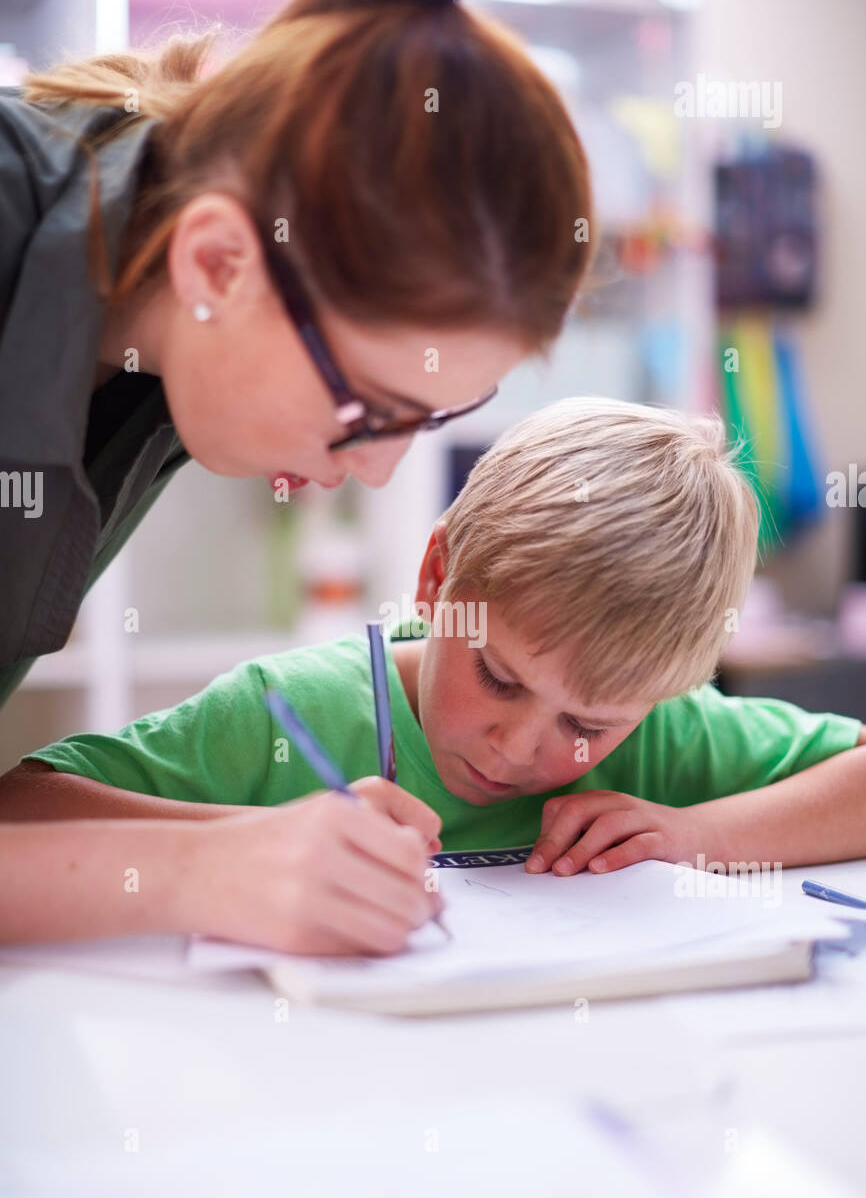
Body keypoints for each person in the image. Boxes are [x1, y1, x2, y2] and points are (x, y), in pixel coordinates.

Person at [0, 0, 594, 924]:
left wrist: (263, 847)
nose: (375, 468)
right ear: (218, 263)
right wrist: (194, 878)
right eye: (367, 409)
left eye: (429, 418)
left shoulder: (155, 361)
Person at [4, 396, 864, 953]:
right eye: (497, 676)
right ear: (436, 577)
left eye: (588, 728)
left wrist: (700, 836)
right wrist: (244, 844)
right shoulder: (288, 710)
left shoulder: (666, 733)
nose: (524, 746)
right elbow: (24, 808)